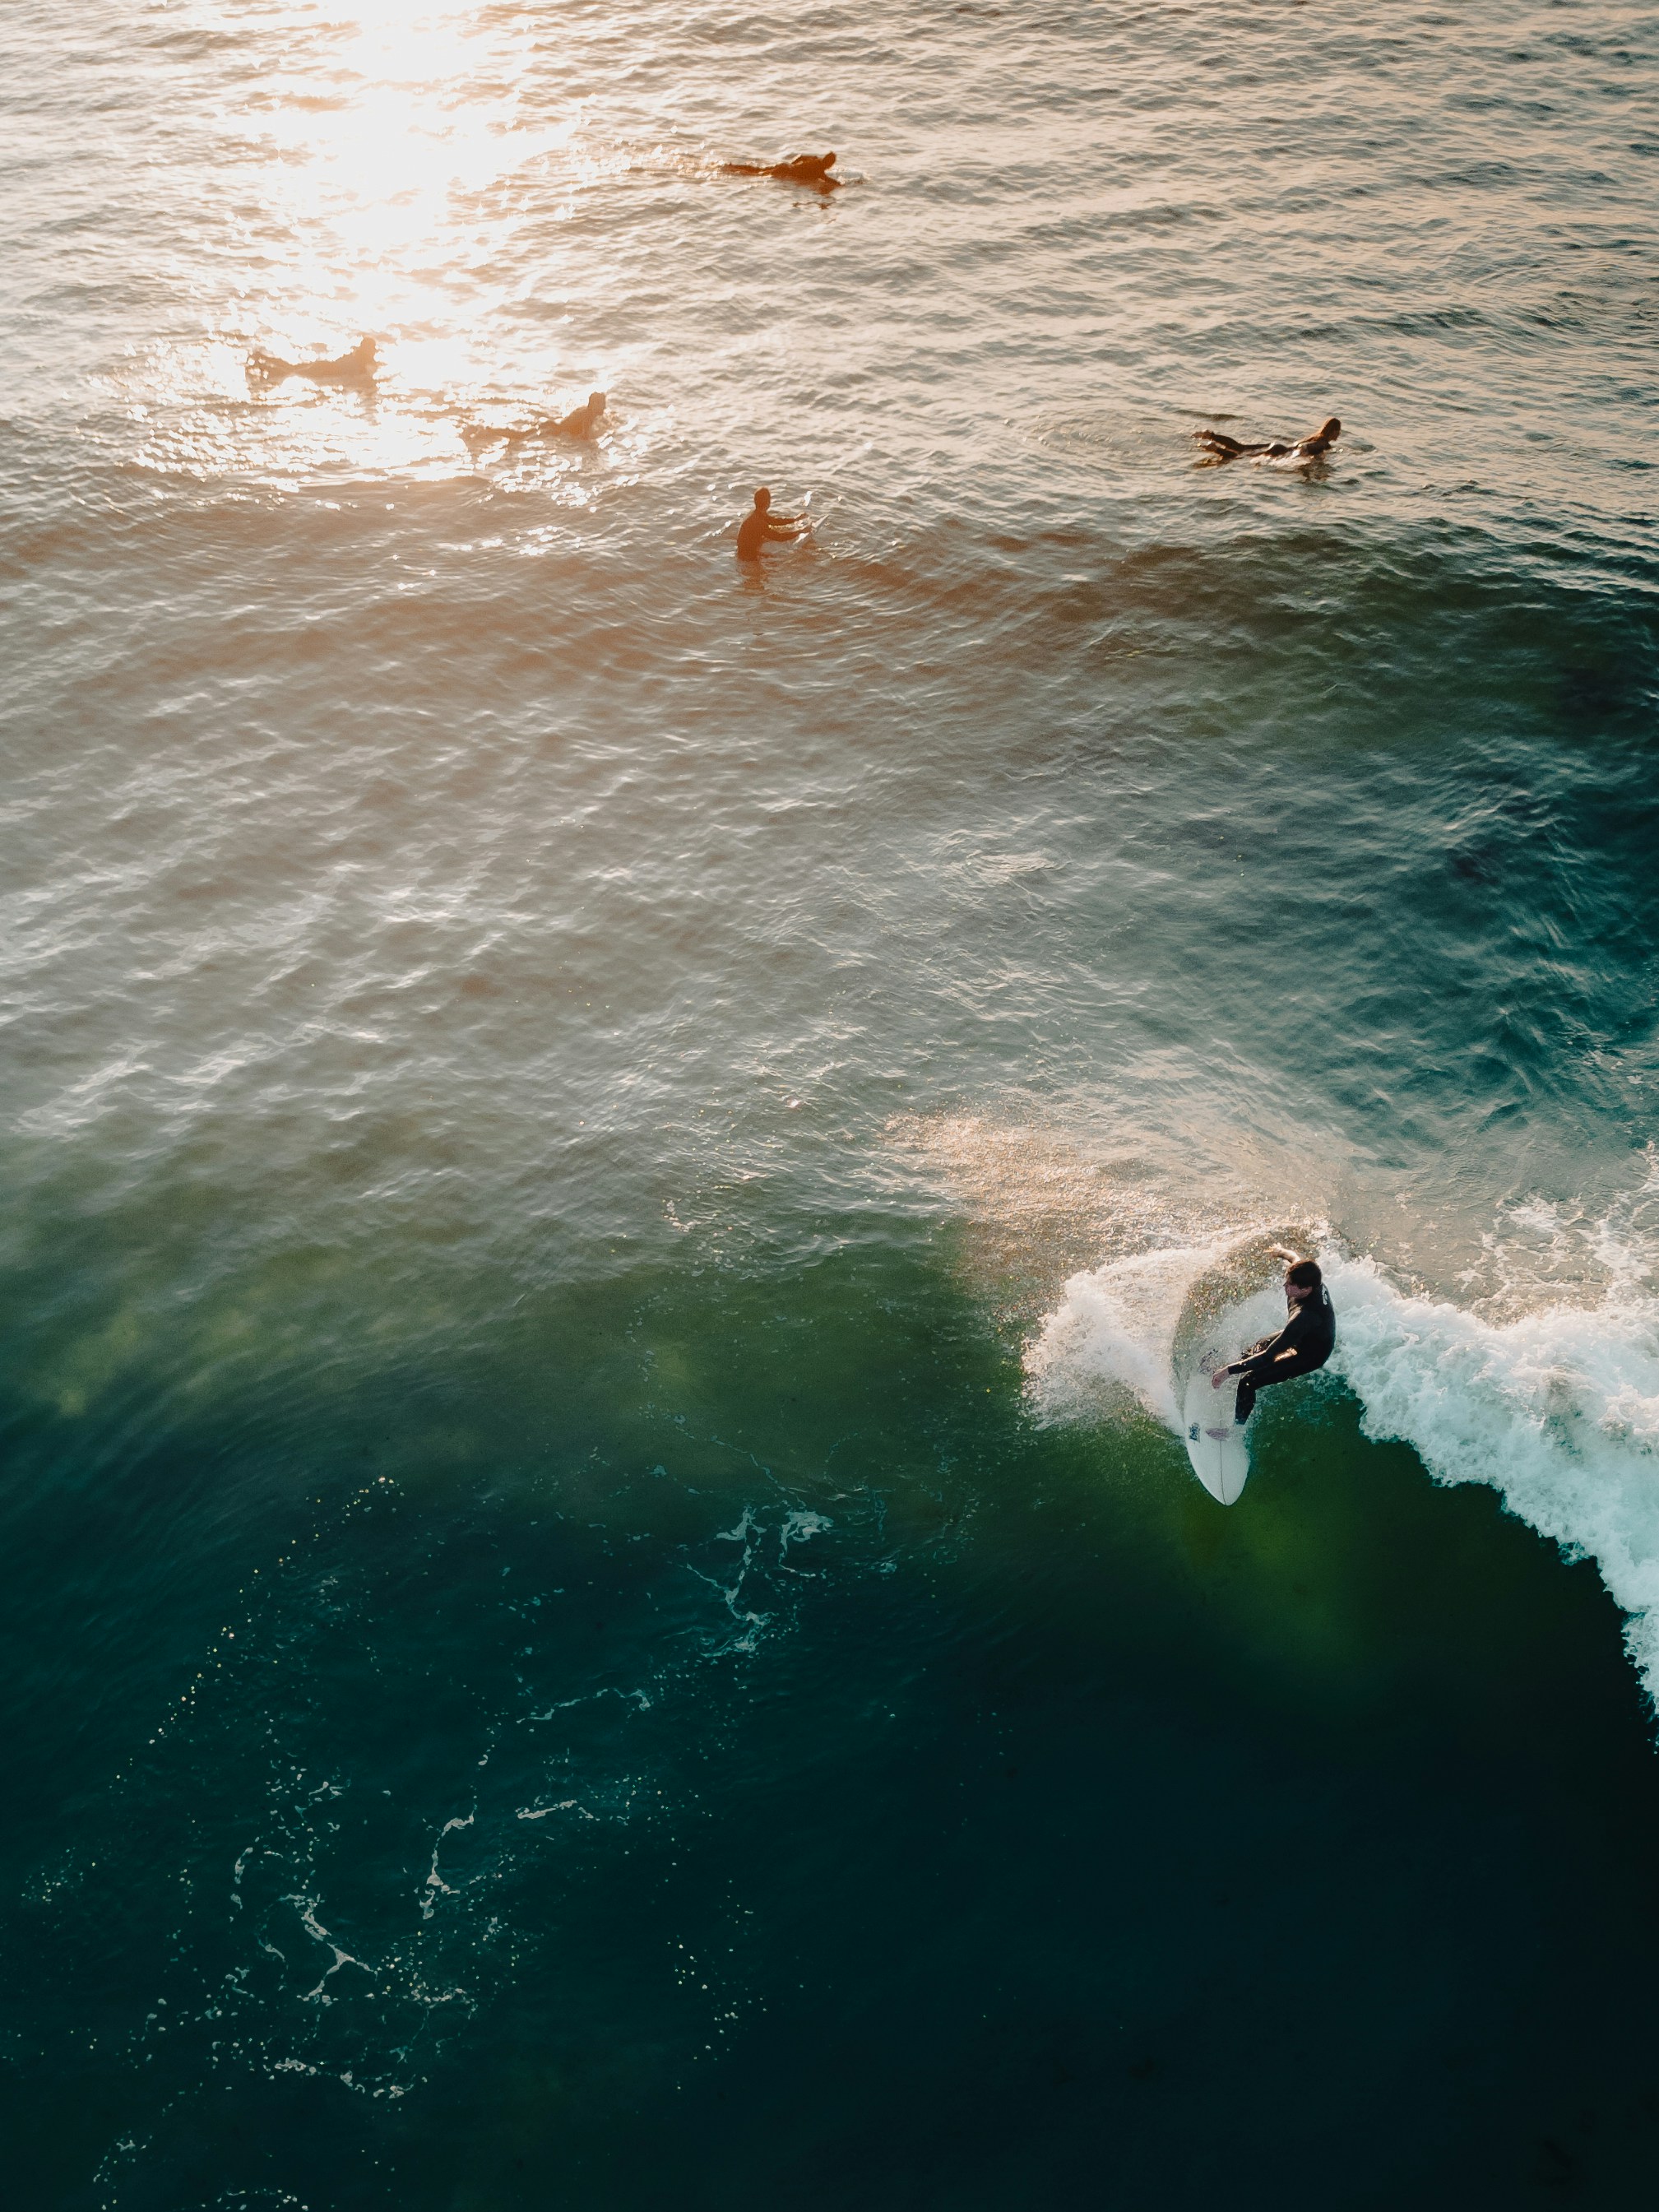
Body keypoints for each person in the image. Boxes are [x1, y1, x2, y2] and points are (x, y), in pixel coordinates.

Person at [1211, 1245, 1336, 1426]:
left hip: (1310, 1354)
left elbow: (1270, 1356)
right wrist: (1281, 1252)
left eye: (1291, 1285)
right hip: (1302, 1335)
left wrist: (1227, 1371)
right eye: (1288, 1280)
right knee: (1255, 1349)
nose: (1285, 1285)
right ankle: (1229, 1371)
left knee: (1249, 1381)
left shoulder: (1306, 1316)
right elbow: (1295, 1258)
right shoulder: (1305, 1274)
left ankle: (1234, 1428)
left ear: (1306, 1290)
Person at [470, 392, 607, 447]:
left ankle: (489, 430)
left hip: (551, 424)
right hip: (551, 430)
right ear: (593, 404)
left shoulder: (584, 410)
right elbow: (585, 439)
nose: (604, 407)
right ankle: (487, 430)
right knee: (520, 436)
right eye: (601, 404)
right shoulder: (588, 417)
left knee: (521, 435)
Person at [1193, 416, 1341, 464]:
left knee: (1241, 448)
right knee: (1241, 458)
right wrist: (1301, 454)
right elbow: (1307, 447)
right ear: (1333, 431)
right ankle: (1215, 449)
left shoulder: (1315, 436)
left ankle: (1210, 435)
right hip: (1279, 451)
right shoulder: (1323, 443)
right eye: (1338, 431)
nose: (1339, 435)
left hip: (1276, 446)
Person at [248, 336, 378, 383]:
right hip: (325, 370)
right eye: (373, 349)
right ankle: (265, 367)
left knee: (292, 368)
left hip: (324, 366)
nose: (374, 352)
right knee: (291, 373)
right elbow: (364, 375)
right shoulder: (362, 364)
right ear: (367, 349)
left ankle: (262, 357)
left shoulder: (357, 357)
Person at [735, 486, 807, 561]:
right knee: (775, 562)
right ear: (768, 503)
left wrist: (795, 519)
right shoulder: (759, 522)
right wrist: (801, 531)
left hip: (743, 549)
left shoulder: (755, 513)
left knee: (774, 531)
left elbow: (773, 521)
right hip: (748, 555)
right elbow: (780, 537)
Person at [719, 151, 840, 190]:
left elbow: (801, 156)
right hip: (783, 172)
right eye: (831, 164)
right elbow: (826, 180)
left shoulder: (815, 159)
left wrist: (792, 165)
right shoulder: (819, 170)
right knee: (756, 175)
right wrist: (842, 185)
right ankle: (730, 171)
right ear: (829, 163)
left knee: (757, 170)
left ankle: (732, 166)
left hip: (784, 167)